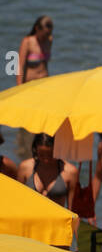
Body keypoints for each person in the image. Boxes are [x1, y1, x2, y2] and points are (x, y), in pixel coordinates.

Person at [13, 16, 54, 162]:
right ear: (37, 28)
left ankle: (42, 154)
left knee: (43, 123)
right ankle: (25, 153)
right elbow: (20, 66)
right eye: (44, 33)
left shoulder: (49, 40)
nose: (46, 36)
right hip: (30, 89)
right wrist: (19, 90)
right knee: (27, 125)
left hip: (44, 88)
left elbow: (45, 64)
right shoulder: (28, 42)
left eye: (49, 33)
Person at [16, 133, 78, 210]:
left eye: (50, 155)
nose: (46, 160)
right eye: (41, 155)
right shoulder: (25, 167)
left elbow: (72, 210)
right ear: (35, 150)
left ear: (58, 149)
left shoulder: (70, 172)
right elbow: (17, 202)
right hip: (30, 219)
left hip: (56, 220)